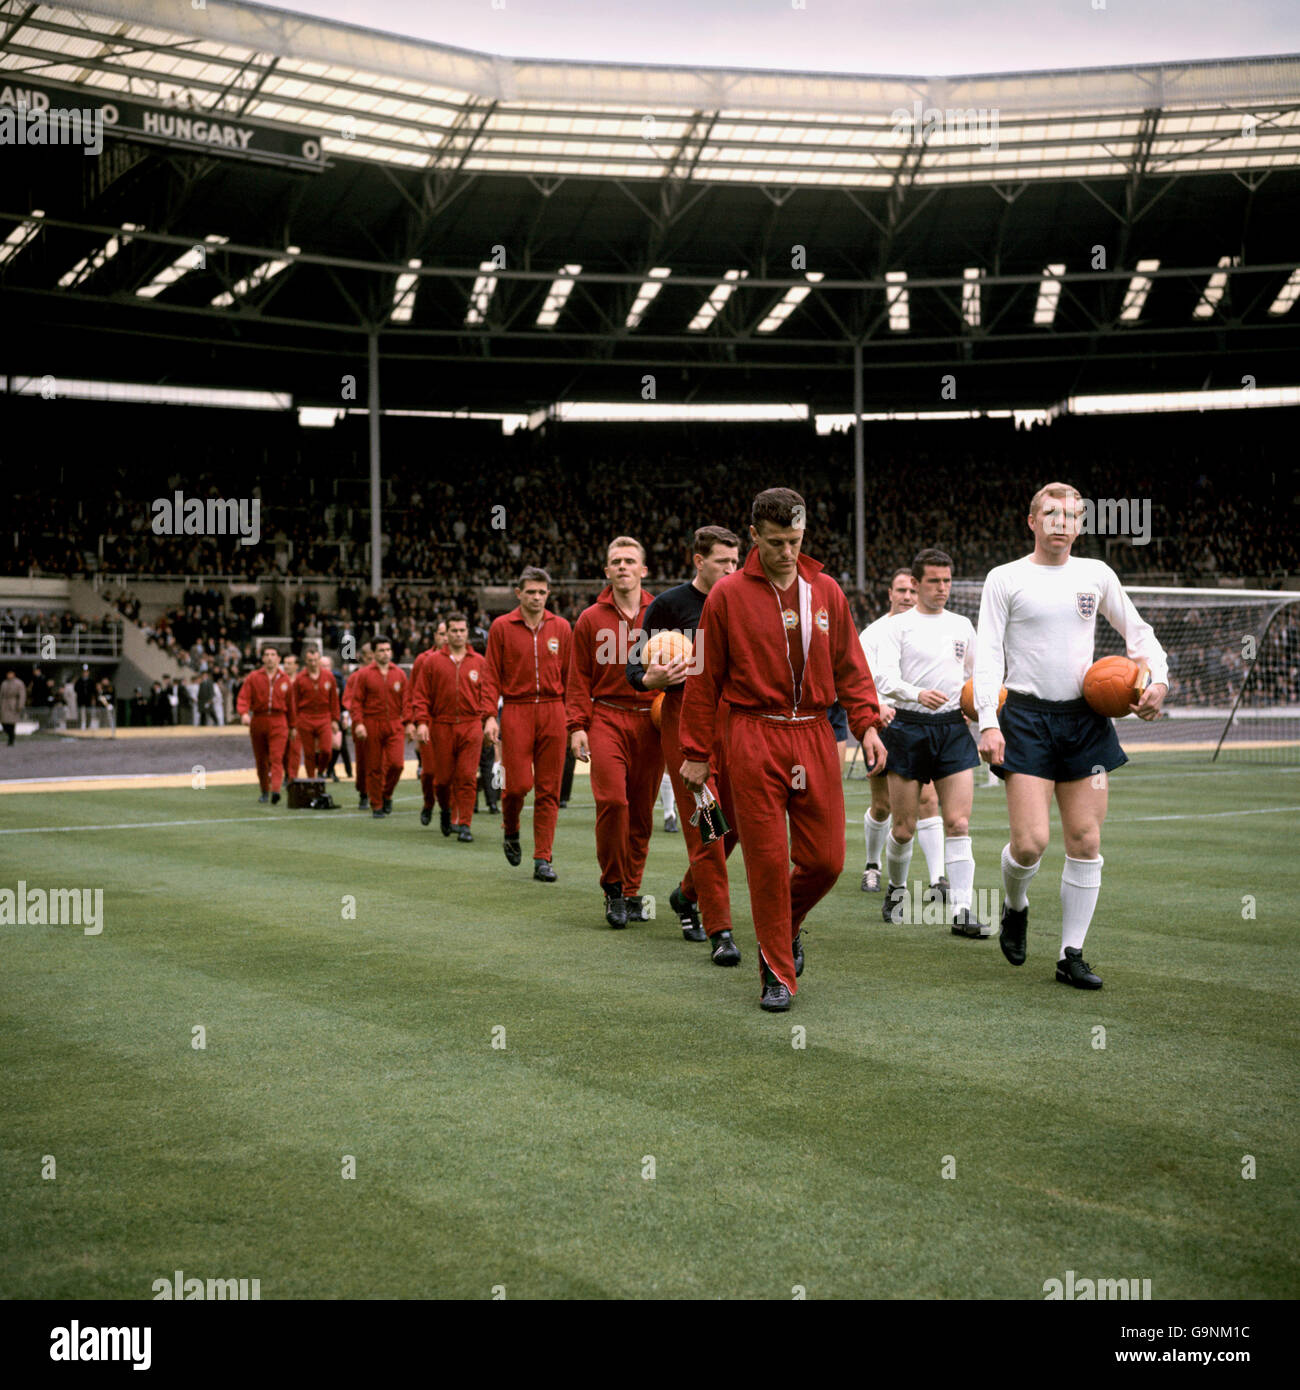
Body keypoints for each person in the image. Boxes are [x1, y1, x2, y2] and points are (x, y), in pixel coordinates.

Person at [679, 488, 888, 1012]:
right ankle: (776, 973)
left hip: (816, 734)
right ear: (753, 536)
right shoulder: (727, 595)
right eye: (775, 543)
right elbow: (704, 679)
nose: (787, 553)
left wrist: (866, 725)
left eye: (795, 541)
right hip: (752, 734)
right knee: (768, 864)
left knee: (827, 861)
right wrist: (696, 750)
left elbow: (851, 667)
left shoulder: (827, 592)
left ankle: (784, 925)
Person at [974, 482, 1169, 989]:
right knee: (1031, 842)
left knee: (1085, 838)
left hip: (1085, 721)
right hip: (1024, 718)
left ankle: (1070, 955)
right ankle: (1015, 906)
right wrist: (987, 722)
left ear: (1081, 524)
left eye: (1072, 515)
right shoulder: (1005, 578)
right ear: (1032, 521)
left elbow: (1140, 637)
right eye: (1051, 513)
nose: (1061, 522)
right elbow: (989, 655)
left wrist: (1158, 681)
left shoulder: (1096, 574)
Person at [627, 525, 742, 963]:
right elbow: (633, 666)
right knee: (706, 825)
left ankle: (684, 894)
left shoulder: (745, 600)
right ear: (699, 561)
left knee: (733, 826)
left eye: (735, 562)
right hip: (683, 720)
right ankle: (721, 932)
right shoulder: (668, 606)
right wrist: (649, 678)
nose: (730, 570)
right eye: (721, 562)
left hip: (735, 719)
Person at [872, 548, 988, 937]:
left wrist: (979, 707)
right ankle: (896, 888)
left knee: (958, 821)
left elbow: (976, 676)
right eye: (935, 581)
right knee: (903, 827)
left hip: (953, 729)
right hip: (907, 728)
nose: (943, 588)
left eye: (947, 580)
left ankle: (962, 910)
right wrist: (916, 693)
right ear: (916, 584)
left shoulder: (962, 625)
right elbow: (884, 680)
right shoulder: (896, 627)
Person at [566, 537, 662, 928]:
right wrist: (576, 726)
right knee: (613, 802)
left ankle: (632, 891)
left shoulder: (662, 613)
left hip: (653, 720)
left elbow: (689, 665)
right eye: (615, 562)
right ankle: (612, 888)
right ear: (607, 571)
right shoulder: (590, 618)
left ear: (643, 570)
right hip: (606, 716)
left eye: (630, 561)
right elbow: (577, 679)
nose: (623, 567)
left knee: (640, 814)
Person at [482, 567, 572, 882]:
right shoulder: (502, 627)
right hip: (517, 710)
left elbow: (571, 677)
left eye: (541, 592)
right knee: (516, 785)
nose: (536, 597)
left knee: (550, 789)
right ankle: (511, 829)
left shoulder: (561, 627)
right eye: (530, 592)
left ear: (548, 594)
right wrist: (490, 715)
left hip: (553, 710)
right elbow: (491, 673)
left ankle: (542, 858)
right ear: (518, 593)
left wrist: (575, 721)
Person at [860, 568, 943, 895]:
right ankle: (872, 865)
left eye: (912, 590)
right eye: (901, 591)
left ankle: (939, 879)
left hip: (921, 726)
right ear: (890, 594)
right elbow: (861, 679)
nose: (907, 596)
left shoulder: (929, 631)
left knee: (929, 798)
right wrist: (875, 708)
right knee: (882, 805)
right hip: (881, 725)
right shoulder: (873, 633)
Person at [410, 612, 492, 841]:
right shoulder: (432, 662)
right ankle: (445, 811)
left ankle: (465, 824)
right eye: (453, 631)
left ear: (467, 633)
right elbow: (421, 695)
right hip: (442, 724)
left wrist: (488, 721)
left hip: (471, 724)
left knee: (467, 775)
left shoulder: (479, 662)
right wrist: (422, 722)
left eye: (461, 630)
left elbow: (487, 695)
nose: (457, 635)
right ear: (446, 634)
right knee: (442, 778)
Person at [346, 637, 408, 818]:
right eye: (381, 650)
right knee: (374, 767)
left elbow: (407, 701)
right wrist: (358, 724)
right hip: (372, 722)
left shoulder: (399, 674)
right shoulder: (364, 674)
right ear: (374, 654)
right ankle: (377, 804)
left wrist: (409, 722)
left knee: (397, 764)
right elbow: (356, 702)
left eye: (388, 650)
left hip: (394, 723)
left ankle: (387, 793)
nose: (385, 653)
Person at [236, 644, 296, 804]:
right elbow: (243, 697)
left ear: (278, 658)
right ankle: (264, 789)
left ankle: (275, 790)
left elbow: (291, 705)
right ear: (262, 658)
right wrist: (243, 714)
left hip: (279, 720)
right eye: (267, 655)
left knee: (277, 757)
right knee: (261, 759)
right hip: (259, 719)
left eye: (273, 655)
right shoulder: (253, 677)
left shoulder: (285, 680)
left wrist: (293, 726)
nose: (270, 658)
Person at [291, 644, 340, 777]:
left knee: (326, 750)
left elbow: (334, 700)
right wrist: (294, 723)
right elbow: (294, 703)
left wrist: (335, 720)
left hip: (324, 716)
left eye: (315, 660)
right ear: (305, 662)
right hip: (305, 717)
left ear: (319, 660)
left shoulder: (329, 677)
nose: (313, 663)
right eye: (310, 660)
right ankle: (312, 779)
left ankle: (321, 771)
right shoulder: (300, 679)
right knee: (309, 753)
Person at [341, 642, 373, 807]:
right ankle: (364, 792)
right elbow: (348, 700)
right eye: (370, 657)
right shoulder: (356, 677)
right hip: (362, 721)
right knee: (363, 760)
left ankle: (379, 792)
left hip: (380, 721)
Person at [1, 669, 25, 745]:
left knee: (11, 723)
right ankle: (9, 735)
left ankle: (11, 739)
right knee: (4, 722)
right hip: (4, 704)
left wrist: (20, 705)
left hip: (13, 704)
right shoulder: (4, 683)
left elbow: (22, 695)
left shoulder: (19, 683)